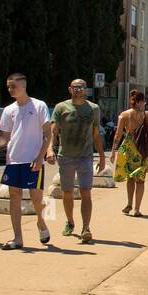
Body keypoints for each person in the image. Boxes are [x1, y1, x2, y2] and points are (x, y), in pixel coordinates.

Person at [0, 74, 52, 250]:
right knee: (14, 196)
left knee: (36, 197)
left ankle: (41, 222)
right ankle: (17, 237)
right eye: (8, 87)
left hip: (33, 159)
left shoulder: (39, 105)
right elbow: (4, 137)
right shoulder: (9, 110)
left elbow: (48, 134)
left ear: (23, 86)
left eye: (13, 86)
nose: (10, 89)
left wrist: (41, 157)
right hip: (13, 160)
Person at [48, 78, 106, 245]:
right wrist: (50, 149)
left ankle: (86, 228)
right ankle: (70, 221)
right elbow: (53, 131)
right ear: (70, 89)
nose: (79, 90)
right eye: (76, 87)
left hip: (85, 156)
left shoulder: (93, 109)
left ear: (86, 90)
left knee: (86, 192)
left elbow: (96, 134)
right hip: (65, 156)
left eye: (82, 87)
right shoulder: (61, 107)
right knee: (67, 192)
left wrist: (102, 156)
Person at [112, 90, 148, 217]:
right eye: (144, 101)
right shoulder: (147, 115)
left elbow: (118, 135)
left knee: (130, 177)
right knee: (140, 180)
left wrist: (114, 150)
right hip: (142, 149)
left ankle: (129, 203)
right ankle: (137, 209)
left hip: (129, 147)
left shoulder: (124, 115)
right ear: (140, 102)